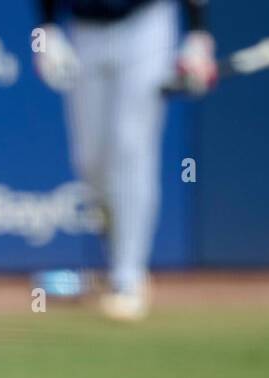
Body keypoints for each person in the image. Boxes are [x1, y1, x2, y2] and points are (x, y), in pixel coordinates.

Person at [34, 0, 217, 320]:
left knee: (131, 148)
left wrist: (198, 34)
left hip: (146, 23)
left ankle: (128, 279)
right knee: (90, 160)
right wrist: (46, 29)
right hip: (83, 28)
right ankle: (118, 260)